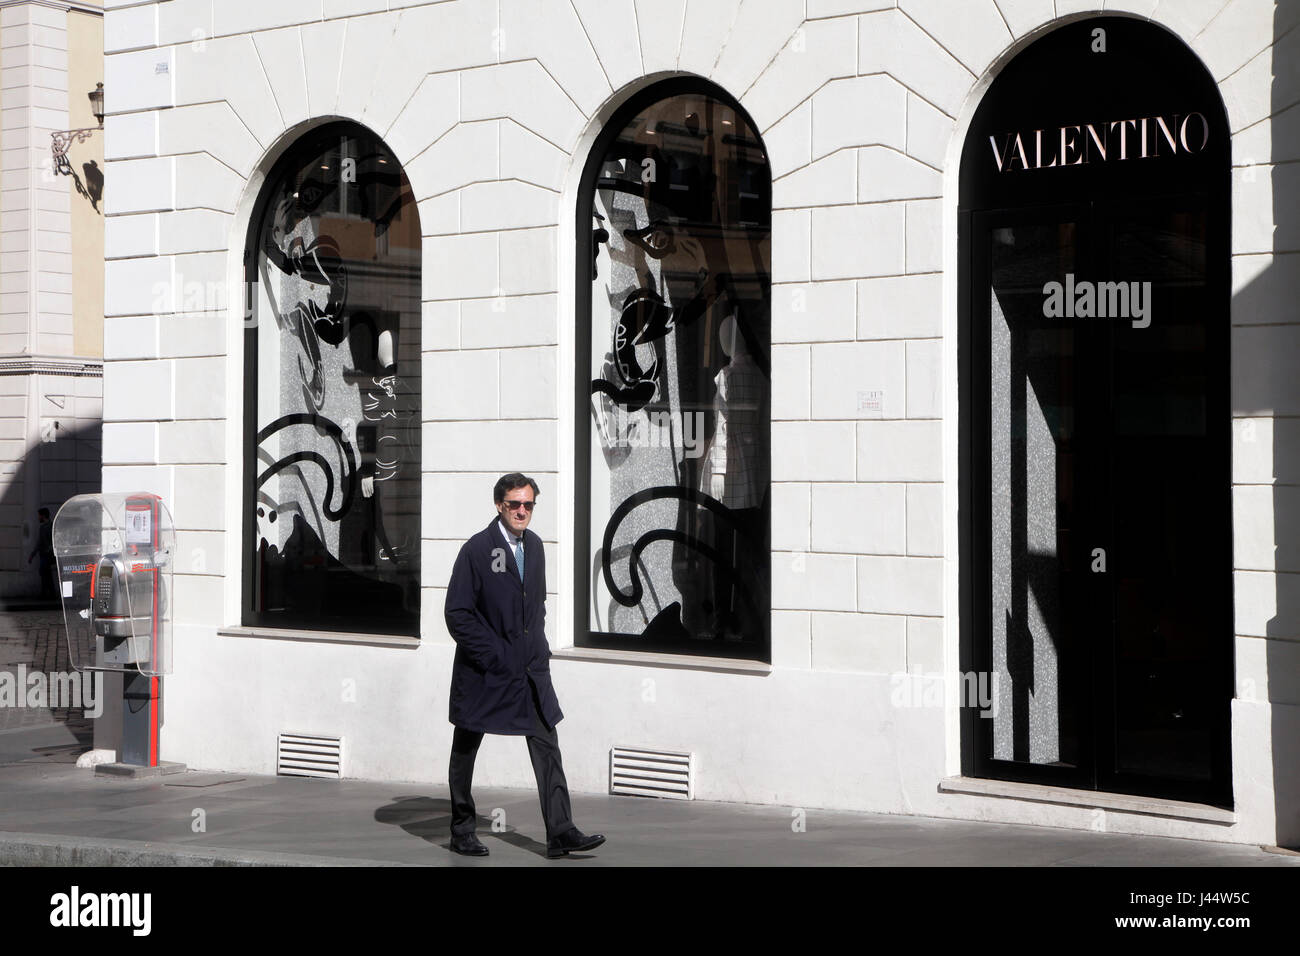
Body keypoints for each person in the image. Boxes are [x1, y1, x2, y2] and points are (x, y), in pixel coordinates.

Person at [443, 473, 606, 859]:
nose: (521, 511)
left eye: (528, 505)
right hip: (483, 672)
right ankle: (462, 830)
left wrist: (539, 648)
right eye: (514, 504)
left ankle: (561, 831)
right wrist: (494, 655)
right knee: (466, 746)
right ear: (499, 505)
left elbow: (537, 605)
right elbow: (457, 613)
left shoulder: (534, 547)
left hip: (530, 668)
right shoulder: (476, 550)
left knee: (547, 743)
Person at [27, 507, 56, 599]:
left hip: (46, 555)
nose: (38, 518)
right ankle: (50, 593)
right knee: (46, 574)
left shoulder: (44, 527)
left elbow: (40, 543)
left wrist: (32, 555)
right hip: (47, 555)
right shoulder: (51, 525)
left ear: (43, 516)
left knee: (44, 574)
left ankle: (47, 594)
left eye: (39, 516)